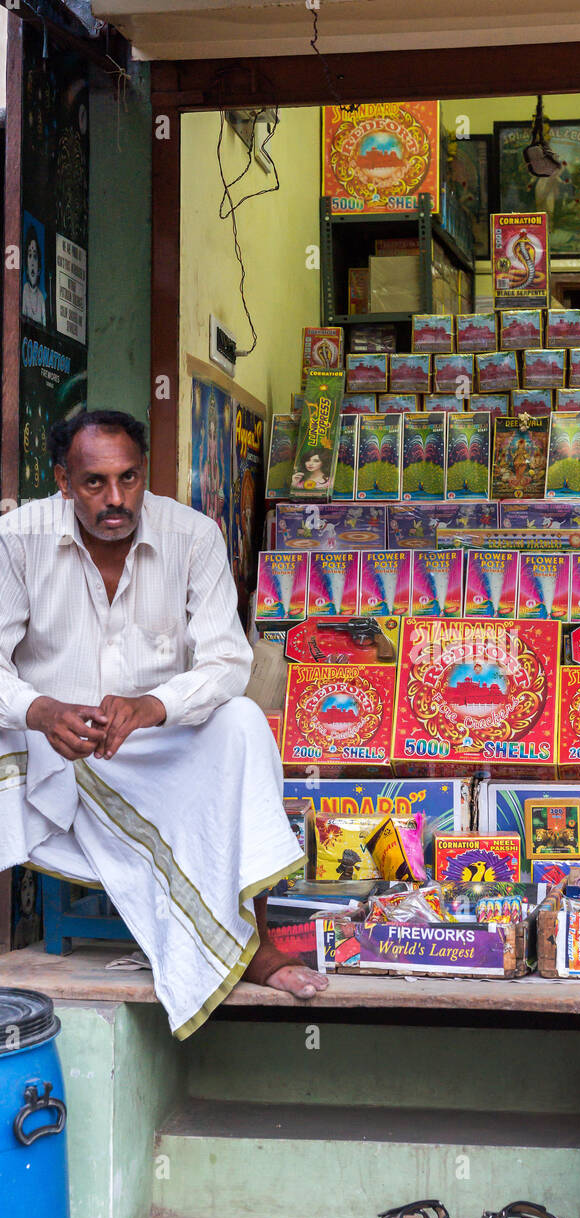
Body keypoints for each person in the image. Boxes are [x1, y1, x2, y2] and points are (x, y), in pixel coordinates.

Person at [0, 410, 328, 1038]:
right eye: (95, 483)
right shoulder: (18, 538)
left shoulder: (192, 536)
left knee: (241, 721)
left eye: (129, 478)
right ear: (63, 480)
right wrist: (41, 711)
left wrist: (153, 706)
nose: (117, 499)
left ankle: (250, 941)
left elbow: (228, 659)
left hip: (159, 740)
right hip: (55, 743)